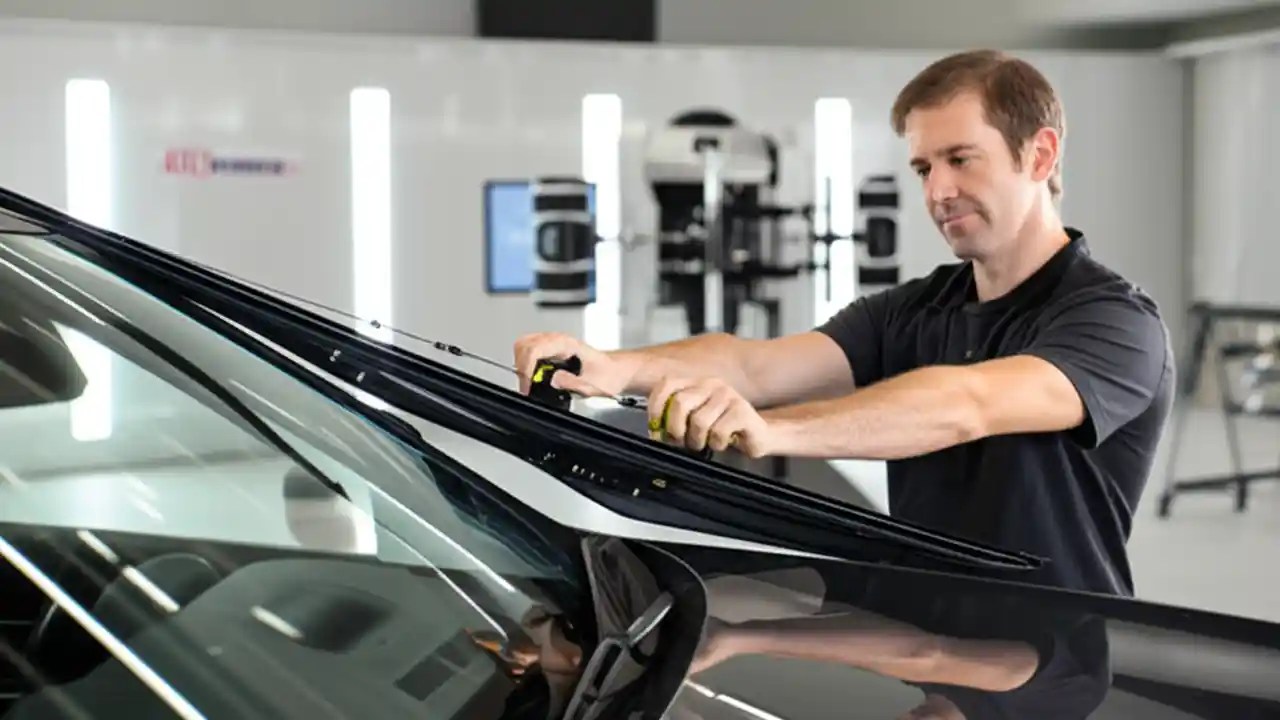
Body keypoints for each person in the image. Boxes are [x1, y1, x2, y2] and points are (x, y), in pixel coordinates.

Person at [513, 49, 1175, 598]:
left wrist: (769, 430)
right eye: (923, 167)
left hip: (1057, 660)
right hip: (919, 646)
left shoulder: (1113, 321)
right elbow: (754, 365)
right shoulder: (913, 309)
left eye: (960, 158)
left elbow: (968, 405)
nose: (936, 191)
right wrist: (612, 367)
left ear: (1040, 155)